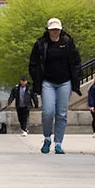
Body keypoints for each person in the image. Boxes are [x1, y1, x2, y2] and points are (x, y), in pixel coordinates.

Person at [28, 18, 83, 154]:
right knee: (48, 111)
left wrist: (76, 76)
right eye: (52, 29)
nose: (54, 31)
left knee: (62, 113)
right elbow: (33, 63)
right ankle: (47, 138)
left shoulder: (68, 42)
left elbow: (76, 61)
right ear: (48, 30)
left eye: (57, 29)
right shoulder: (41, 44)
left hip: (65, 82)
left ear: (60, 30)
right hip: (48, 82)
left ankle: (58, 143)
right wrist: (37, 78)